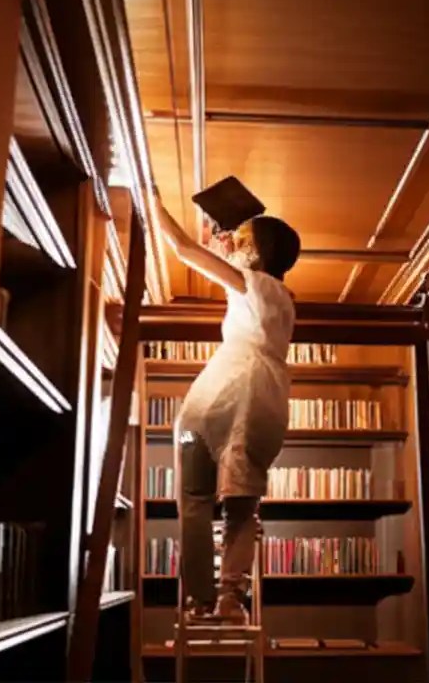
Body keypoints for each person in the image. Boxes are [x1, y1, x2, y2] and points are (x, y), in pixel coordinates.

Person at [148, 195, 300, 625]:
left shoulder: (256, 285)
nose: (235, 242)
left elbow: (183, 249)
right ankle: (229, 599)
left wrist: (151, 200)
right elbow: (224, 257)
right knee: (241, 507)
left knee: (194, 491)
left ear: (257, 253)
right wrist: (222, 238)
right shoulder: (280, 296)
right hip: (263, 400)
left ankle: (199, 597)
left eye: (243, 240)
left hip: (231, 392)